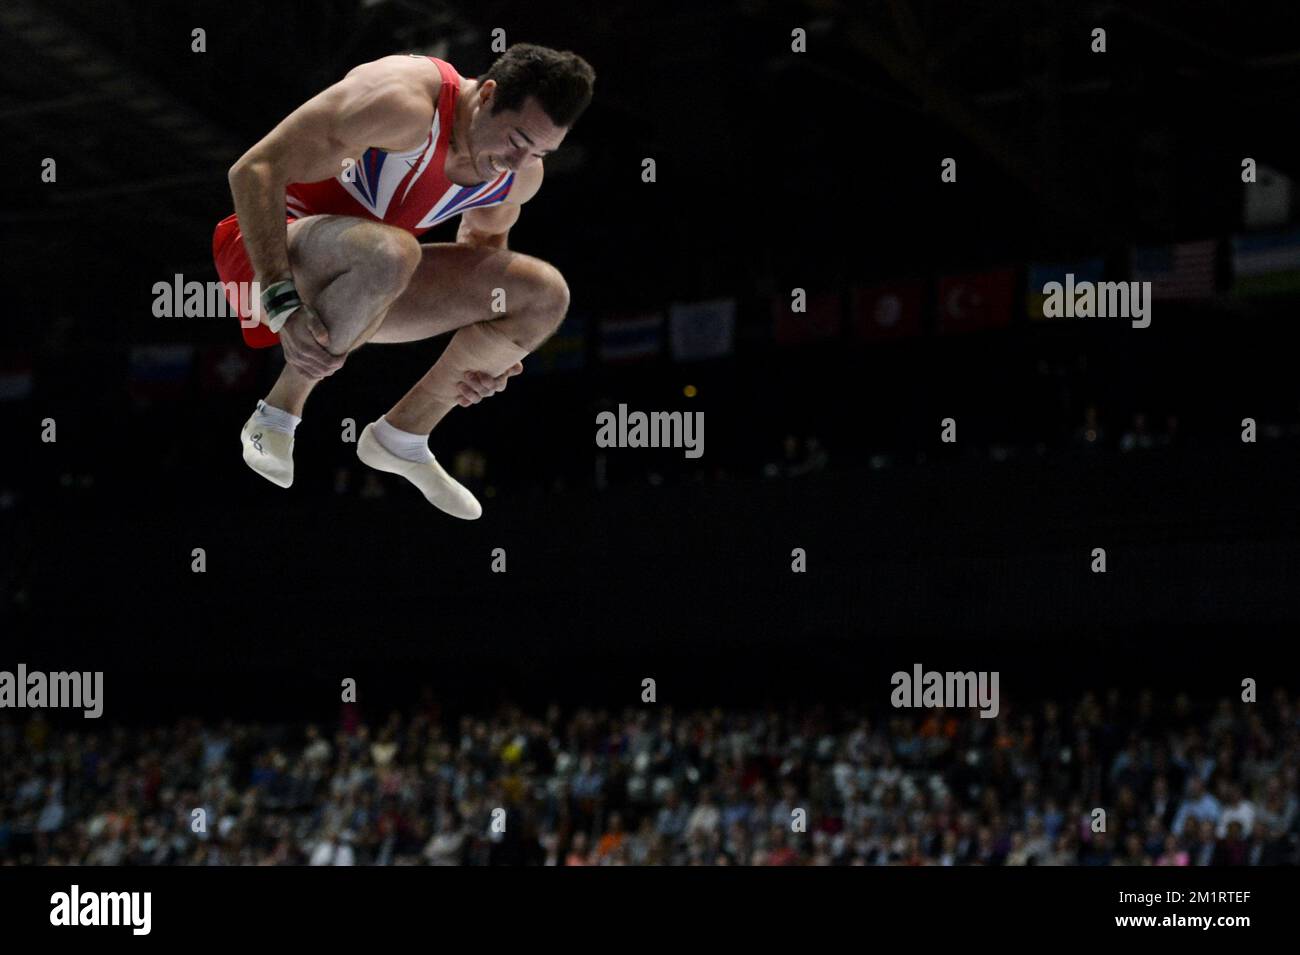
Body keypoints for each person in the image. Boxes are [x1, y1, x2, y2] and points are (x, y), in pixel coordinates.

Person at [215, 43, 595, 517]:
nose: (520, 163)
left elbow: (482, 258)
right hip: (264, 256)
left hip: (372, 282)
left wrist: (485, 358)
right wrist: (281, 300)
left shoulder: (519, 176)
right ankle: (276, 412)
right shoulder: (401, 102)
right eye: (517, 141)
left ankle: (404, 436)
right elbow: (254, 169)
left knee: (543, 295)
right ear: (488, 94)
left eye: (541, 151)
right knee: (394, 252)